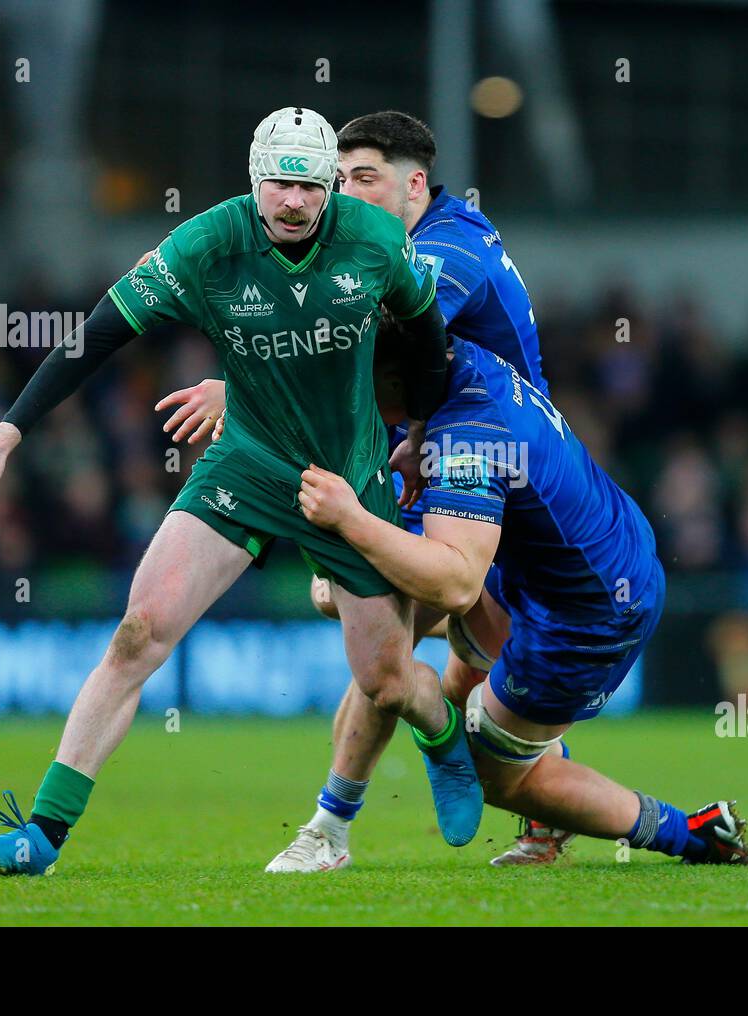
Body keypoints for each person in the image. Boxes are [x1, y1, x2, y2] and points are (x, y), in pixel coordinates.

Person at [0, 106, 483, 876]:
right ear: (254, 181)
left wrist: (416, 434)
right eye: (279, 184)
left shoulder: (378, 242)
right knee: (137, 634)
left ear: (330, 188)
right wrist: (3, 439)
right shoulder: (208, 244)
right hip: (245, 463)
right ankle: (42, 836)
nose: (293, 202)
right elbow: (98, 333)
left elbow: (427, 343)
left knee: (386, 684)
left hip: (346, 480)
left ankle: (441, 729)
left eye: (309, 187)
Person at [159, 111, 570, 871]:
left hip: (498, 463)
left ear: (415, 183)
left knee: (401, 633)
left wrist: (240, 378)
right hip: (442, 446)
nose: (341, 193)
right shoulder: (417, 235)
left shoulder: (447, 250)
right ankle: (349, 822)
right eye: (338, 178)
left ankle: (332, 829)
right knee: (405, 642)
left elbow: (366, 333)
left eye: (362, 178)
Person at [295, 324, 748, 867]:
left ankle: (696, 835)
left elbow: (456, 582)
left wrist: (351, 524)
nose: (355, 396)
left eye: (363, 383)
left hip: (588, 613)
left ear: (398, 380)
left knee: (494, 774)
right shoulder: (461, 363)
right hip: (568, 560)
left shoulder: (467, 436)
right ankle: (333, 821)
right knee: (444, 675)